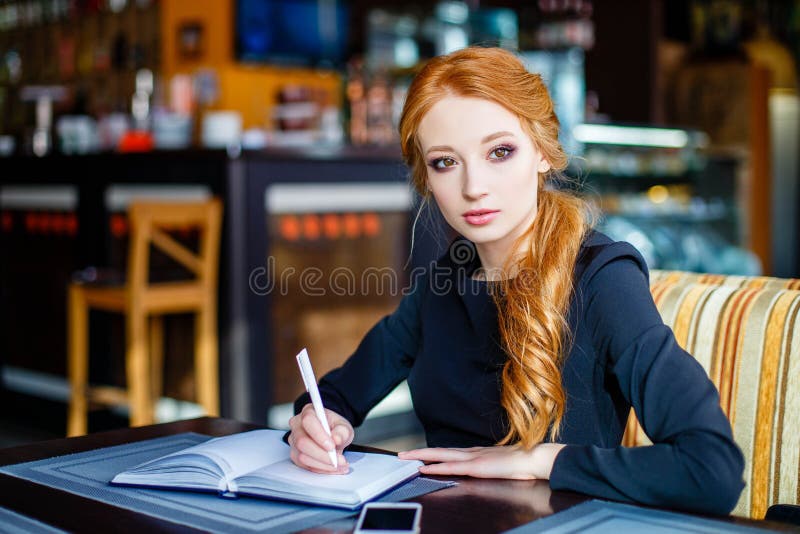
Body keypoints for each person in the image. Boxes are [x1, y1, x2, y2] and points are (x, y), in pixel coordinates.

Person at [287, 46, 745, 515]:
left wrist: (541, 460)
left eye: (500, 152)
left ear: (544, 153)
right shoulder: (442, 284)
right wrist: (319, 425)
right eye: (446, 162)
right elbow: (336, 397)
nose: (473, 186)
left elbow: (711, 470)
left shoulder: (603, 280)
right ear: (425, 177)